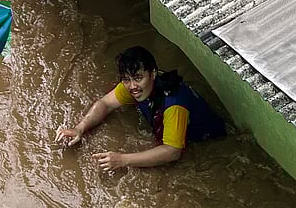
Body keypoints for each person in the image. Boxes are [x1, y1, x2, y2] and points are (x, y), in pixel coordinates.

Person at [56, 46, 226, 170]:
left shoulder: (174, 106)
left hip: (210, 143)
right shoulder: (134, 85)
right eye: (126, 79)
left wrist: (122, 160)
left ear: (153, 74)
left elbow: (172, 152)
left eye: (138, 78)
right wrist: (80, 128)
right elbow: (105, 104)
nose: (132, 86)